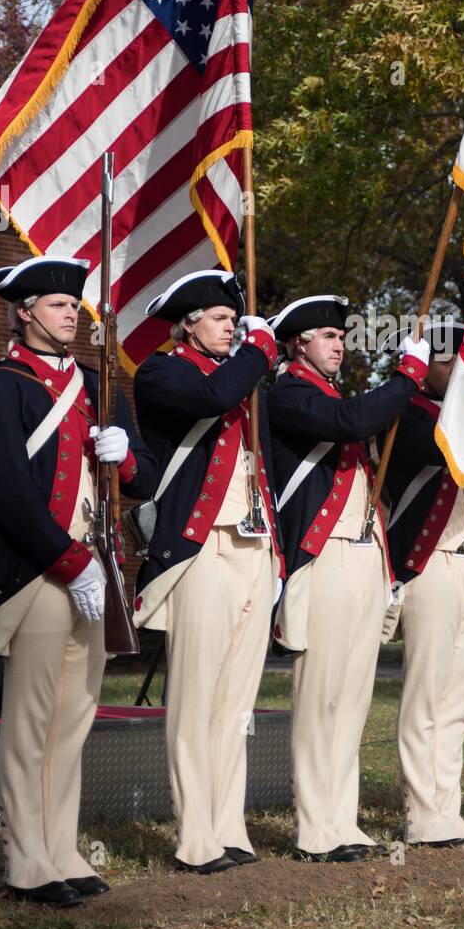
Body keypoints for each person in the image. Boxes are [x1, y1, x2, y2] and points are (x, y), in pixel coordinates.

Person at [0, 256, 156, 907]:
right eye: (55, 305)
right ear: (24, 312)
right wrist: (72, 564)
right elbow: (7, 496)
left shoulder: (102, 385)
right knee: (32, 721)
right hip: (41, 573)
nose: (70, 314)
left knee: (74, 719)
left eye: (74, 306)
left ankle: (61, 848)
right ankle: (26, 861)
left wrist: (123, 455)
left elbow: (145, 481)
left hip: (99, 569)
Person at [267, 295, 429, 862]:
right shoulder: (289, 391)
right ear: (297, 345)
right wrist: (407, 375)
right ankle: (315, 827)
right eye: (327, 336)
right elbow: (351, 422)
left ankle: (343, 820)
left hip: (362, 556)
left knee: (354, 697)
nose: (339, 344)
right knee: (322, 697)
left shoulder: (330, 391)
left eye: (341, 335)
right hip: (325, 557)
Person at [133, 270, 281, 875]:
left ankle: (228, 826)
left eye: (234, 318)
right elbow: (210, 401)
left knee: (236, 703)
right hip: (200, 549)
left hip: (254, 546)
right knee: (195, 699)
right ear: (188, 323)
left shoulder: (244, 378)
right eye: (220, 318)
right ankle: (196, 837)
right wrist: (258, 352)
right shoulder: (162, 371)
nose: (232, 327)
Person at [383, 319, 464, 848]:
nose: (458, 370)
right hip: (430, 563)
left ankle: (446, 807)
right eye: (448, 360)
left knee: (459, 697)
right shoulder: (405, 414)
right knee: (427, 694)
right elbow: (436, 453)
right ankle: (421, 811)